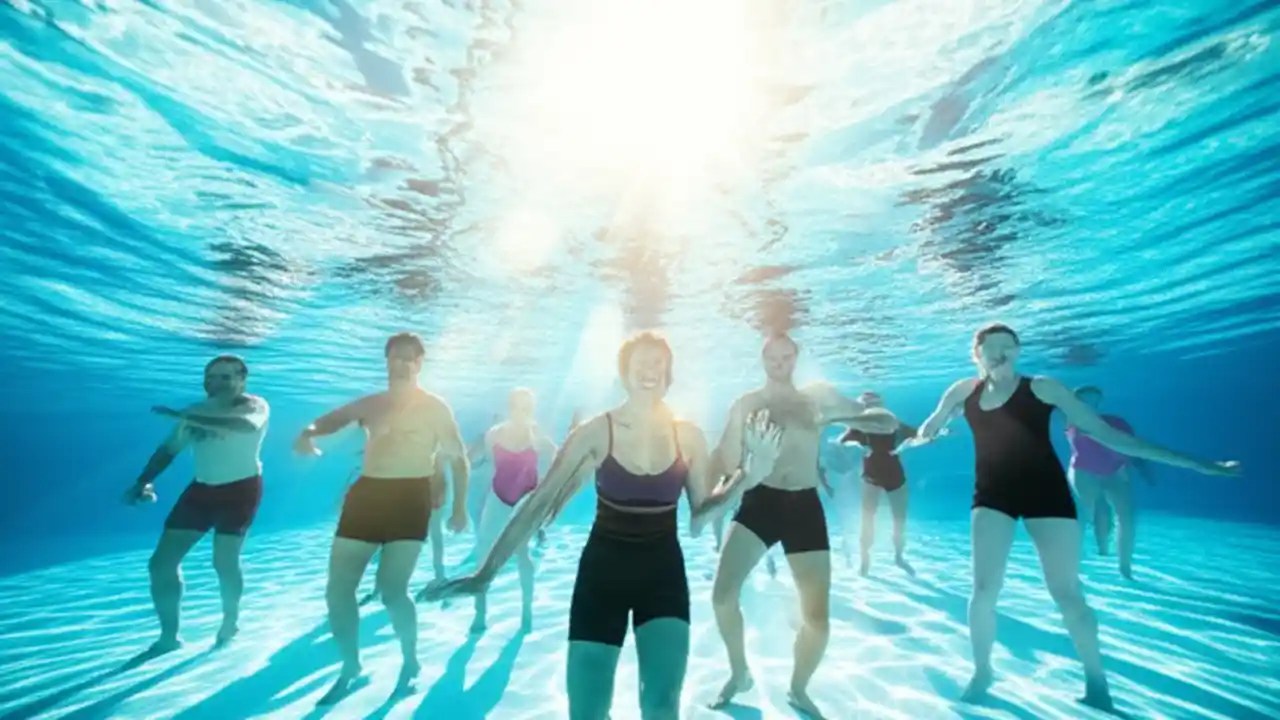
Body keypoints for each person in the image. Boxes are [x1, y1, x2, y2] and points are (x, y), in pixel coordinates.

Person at [427, 331, 782, 720]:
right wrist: (486, 573)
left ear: (669, 374)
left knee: (662, 708)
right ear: (624, 373)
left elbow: (699, 518)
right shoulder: (596, 432)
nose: (650, 371)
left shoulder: (688, 436)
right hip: (602, 575)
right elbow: (539, 502)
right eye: (641, 363)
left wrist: (749, 476)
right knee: (587, 713)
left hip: (663, 576)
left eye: (658, 363)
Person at [897, 322, 1240, 710]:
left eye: (1008, 346)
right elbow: (932, 422)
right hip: (992, 496)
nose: (1000, 354)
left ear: (1018, 351)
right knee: (982, 592)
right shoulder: (964, 391)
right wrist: (913, 440)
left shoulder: (1042, 387)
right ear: (975, 354)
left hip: (1047, 495)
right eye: (990, 348)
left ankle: (1097, 680)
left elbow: (1108, 435)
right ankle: (982, 670)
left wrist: (1199, 464)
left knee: (1067, 593)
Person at [710, 333, 899, 719]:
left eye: (787, 356)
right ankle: (739, 673)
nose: (780, 363)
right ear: (762, 359)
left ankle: (798, 688)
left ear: (796, 358)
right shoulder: (748, 403)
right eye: (772, 357)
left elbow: (885, 422)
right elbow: (726, 460)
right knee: (722, 596)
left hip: (804, 508)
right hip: (760, 502)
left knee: (818, 619)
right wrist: (727, 475)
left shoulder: (818, 397)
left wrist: (836, 416)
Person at [293, 332, 469, 704]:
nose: (402, 364)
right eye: (395, 358)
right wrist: (307, 434)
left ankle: (410, 660)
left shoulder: (435, 408)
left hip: (410, 497)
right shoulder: (372, 404)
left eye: (409, 358)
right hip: (367, 496)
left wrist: (459, 507)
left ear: (420, 364)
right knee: (337, 590)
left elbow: (458, 457)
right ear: (386, 362)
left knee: (392, 591)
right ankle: (351, 667)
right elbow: (331, 420)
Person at [123, 355, 270, 655]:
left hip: (241, 490)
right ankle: (169, 636)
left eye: (225, 377)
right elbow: (168, 450)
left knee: (224, 563)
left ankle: (231, 620)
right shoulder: (193, 412)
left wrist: (186, 418)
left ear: (242, 380)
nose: (214, 383)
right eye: (210, 377)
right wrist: (142, 482)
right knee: (160, 565)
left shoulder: (254, 405)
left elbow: (245, 426)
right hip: (201, 491)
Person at [458, 387, 558, 634]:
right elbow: (472, 460)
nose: (521, 413)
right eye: (517, 407)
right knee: (484, 551)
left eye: (527, 408)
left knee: (522, 554)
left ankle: (526, 613)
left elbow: (558, 458)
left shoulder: (538, 438)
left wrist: (545, 489)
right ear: (509, 408)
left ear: (532, 411)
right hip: (498, 498)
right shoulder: (494, 435)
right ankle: (480, 614)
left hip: (524, 502)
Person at [1065, 385, 1153, 579]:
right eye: (1081, 403)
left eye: (1091, 402)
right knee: (1083, 515)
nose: (1086, 406)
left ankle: (1125, 568)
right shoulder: (1074, 424)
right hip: (1084, 471)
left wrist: (1134, 468)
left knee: (1126, 517)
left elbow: (1133, 448)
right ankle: (1069, 566)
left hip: (1115, 470)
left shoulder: (1116, 422)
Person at [839, 392, 918, 577]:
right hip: (874, 477)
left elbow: (920, 435)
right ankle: (865, 561)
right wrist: (856, 446)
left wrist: (906, 445)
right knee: (870, 520)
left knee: (898, 520)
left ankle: (898, 557)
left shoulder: (894, 423)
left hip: (892, 477)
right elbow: (841, 443)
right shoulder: (858, 428)